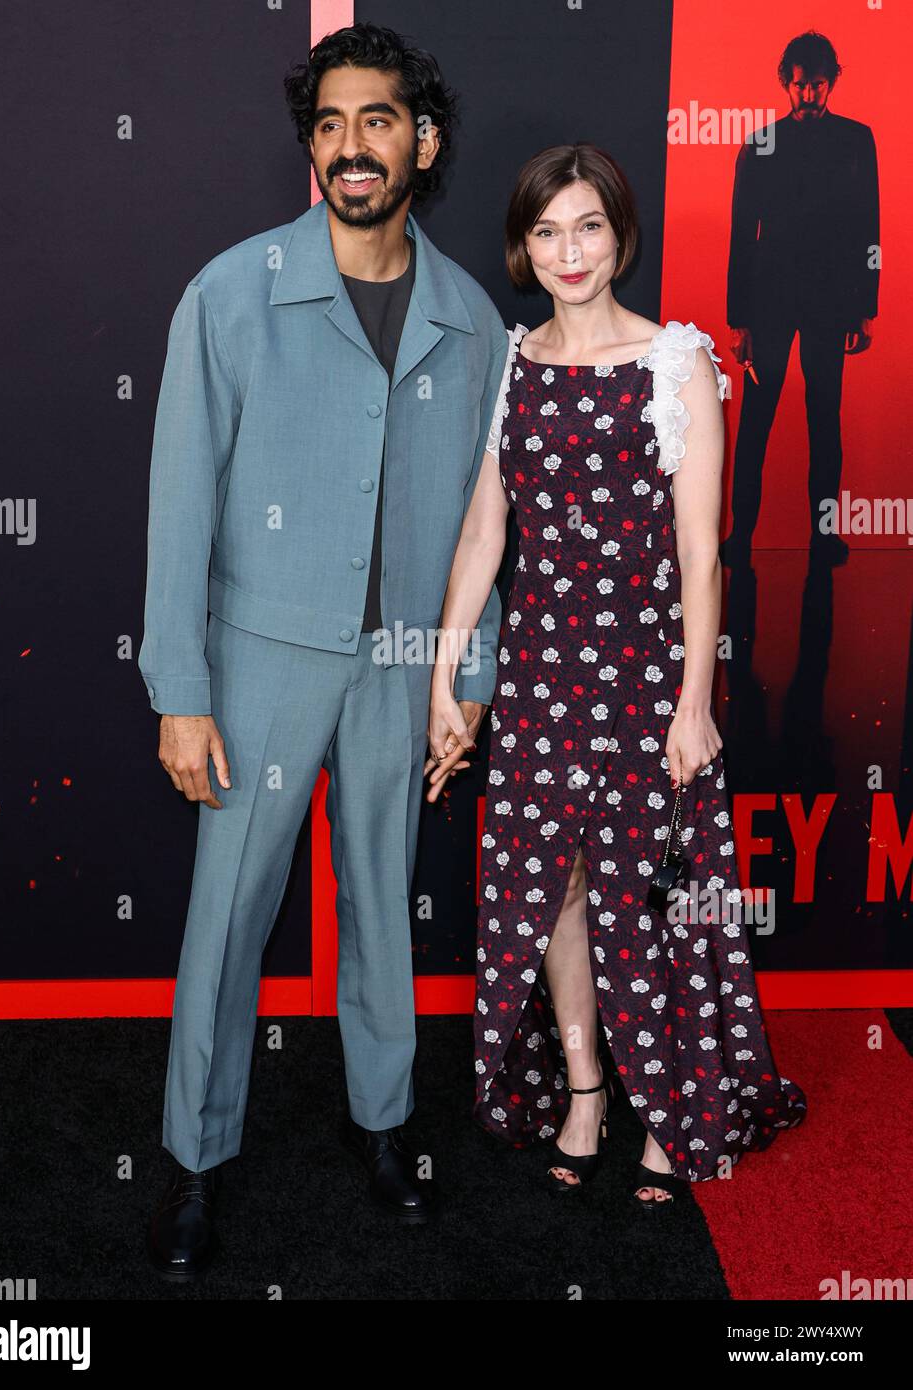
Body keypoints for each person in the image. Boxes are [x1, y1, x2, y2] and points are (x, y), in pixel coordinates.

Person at [139, 23, 507, 1279]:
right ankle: (193, 1156)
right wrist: (180, 692)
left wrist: (467, 678)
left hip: (404, 666)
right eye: (332, 123)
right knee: (226, 916)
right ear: (313, 146)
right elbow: (179, 509)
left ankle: (386, 1124)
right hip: (260, 663)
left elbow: (480, 526)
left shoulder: (470, 318)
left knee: (383, 911)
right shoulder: (230, 294)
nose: (355, 145)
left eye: (380, 119)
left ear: (424, 139)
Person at [425, 143, 807, 1208]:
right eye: (545, 231)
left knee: (653, 891)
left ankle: (668, 1106)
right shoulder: (515, 361)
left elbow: (700, 553)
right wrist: (444, 679)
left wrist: (693, 703)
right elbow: (479, 539)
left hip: (645, 674)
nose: (567, 251)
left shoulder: (676, 361)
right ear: (522, 248)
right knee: (556, 890)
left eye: (585, 225)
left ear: (617, 233)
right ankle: (586, 1090)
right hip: (544, 672)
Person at [721, 30, 879, 567]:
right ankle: (740, 535)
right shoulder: (759, 143)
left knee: (824, 416)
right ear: (784, 84)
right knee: (757, 418)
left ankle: (824, 536)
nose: (807, 96)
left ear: (832, 82)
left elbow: (867, 227)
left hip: (831, 299)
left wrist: (864, 306)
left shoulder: (858, 139)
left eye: (816, 86)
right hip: (769, 300)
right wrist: (739, 321)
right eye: (798, 87)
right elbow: (742, 232)